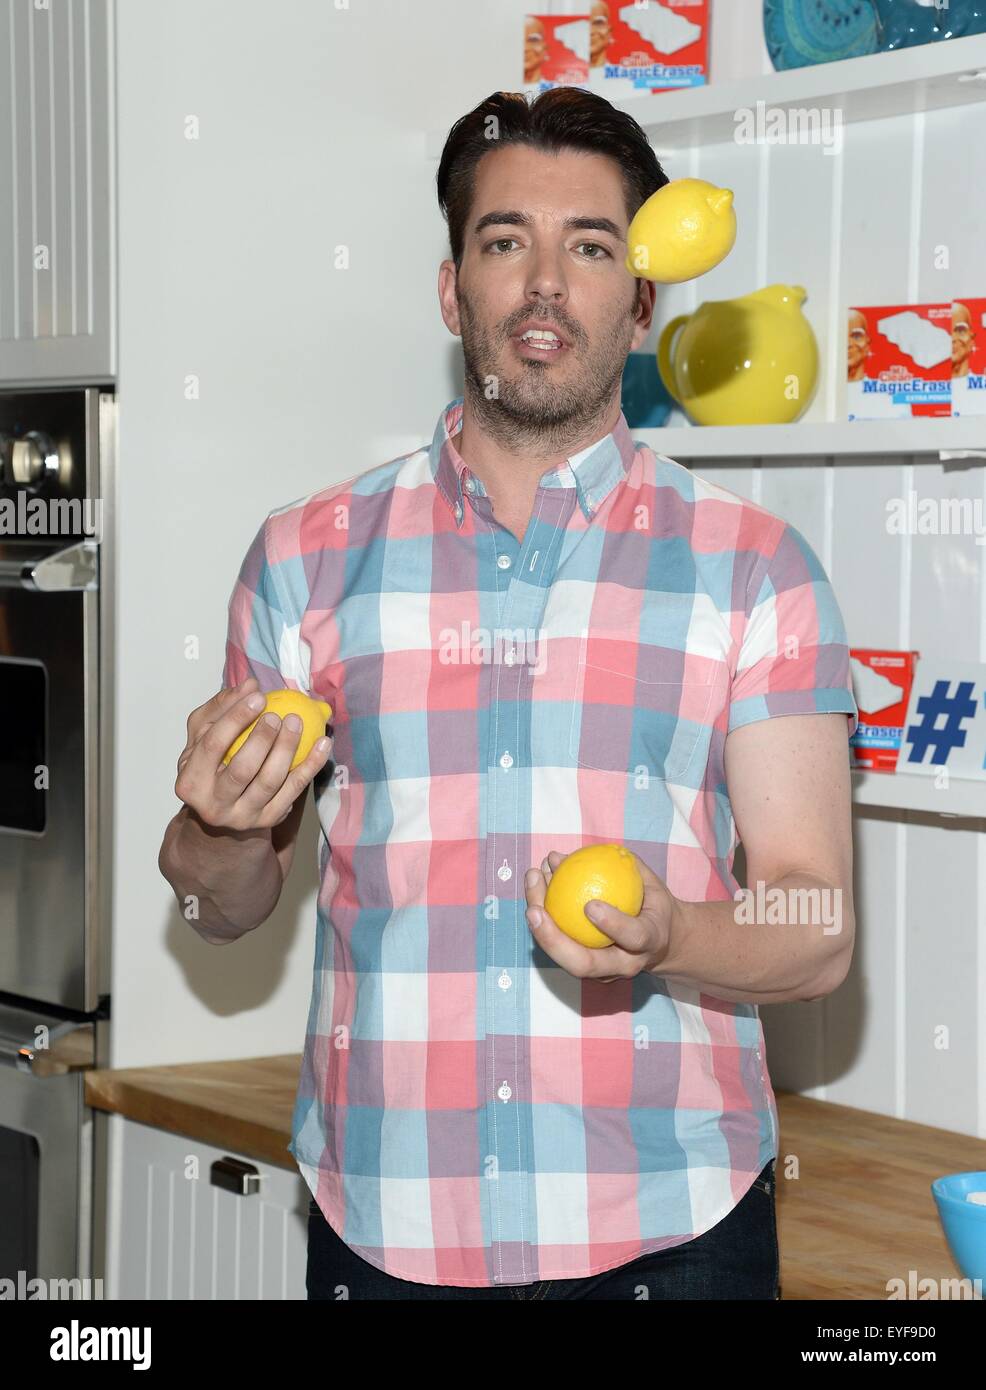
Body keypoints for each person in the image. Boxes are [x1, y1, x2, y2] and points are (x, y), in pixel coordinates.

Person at [159, 87, 858, 1301]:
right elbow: (225, 908)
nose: (544, 281)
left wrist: (673, 934)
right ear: (451, 291)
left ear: (639, 303)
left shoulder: (755, 567)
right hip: (381, 1226)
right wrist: (215, 829)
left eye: (589, 246)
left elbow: (815, 925)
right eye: (504, 241)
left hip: (669, 1231)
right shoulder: (305, 554)